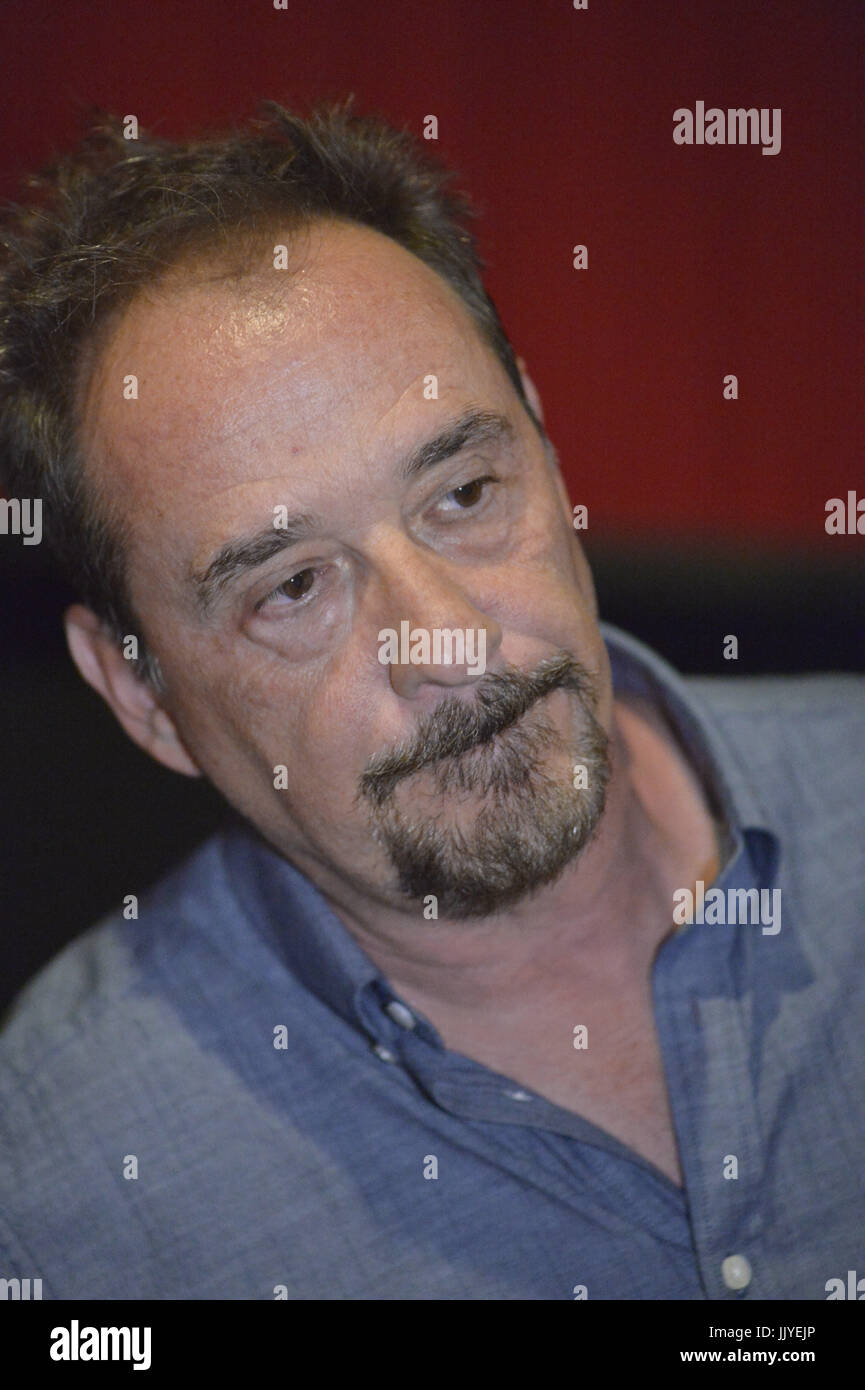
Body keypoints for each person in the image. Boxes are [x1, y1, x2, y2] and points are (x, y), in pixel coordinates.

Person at [0, 100, 862, 1302]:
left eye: (462, 492)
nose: (449, 639)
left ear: (548, 455)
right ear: (138, 693)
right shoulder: (57, 1199)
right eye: (293, 585)